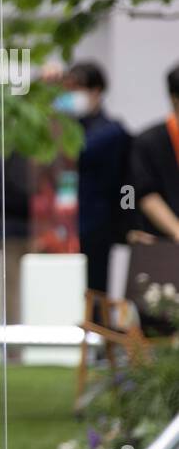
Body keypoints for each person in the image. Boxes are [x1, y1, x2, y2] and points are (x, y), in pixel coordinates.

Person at [54, 62, 132, 292]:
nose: (70, 96)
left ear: (96, 91)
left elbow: (127, 187)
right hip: (63, 224)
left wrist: (127, 221)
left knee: (92, 292)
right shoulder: (72, 127)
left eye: (76, 89)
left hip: (96, 226)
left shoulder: (111, 132)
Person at [128, 62, 179, 243]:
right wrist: (176, 230)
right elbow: (141, 192)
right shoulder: (148, 142)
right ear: (174, 99)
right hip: (162, 245)